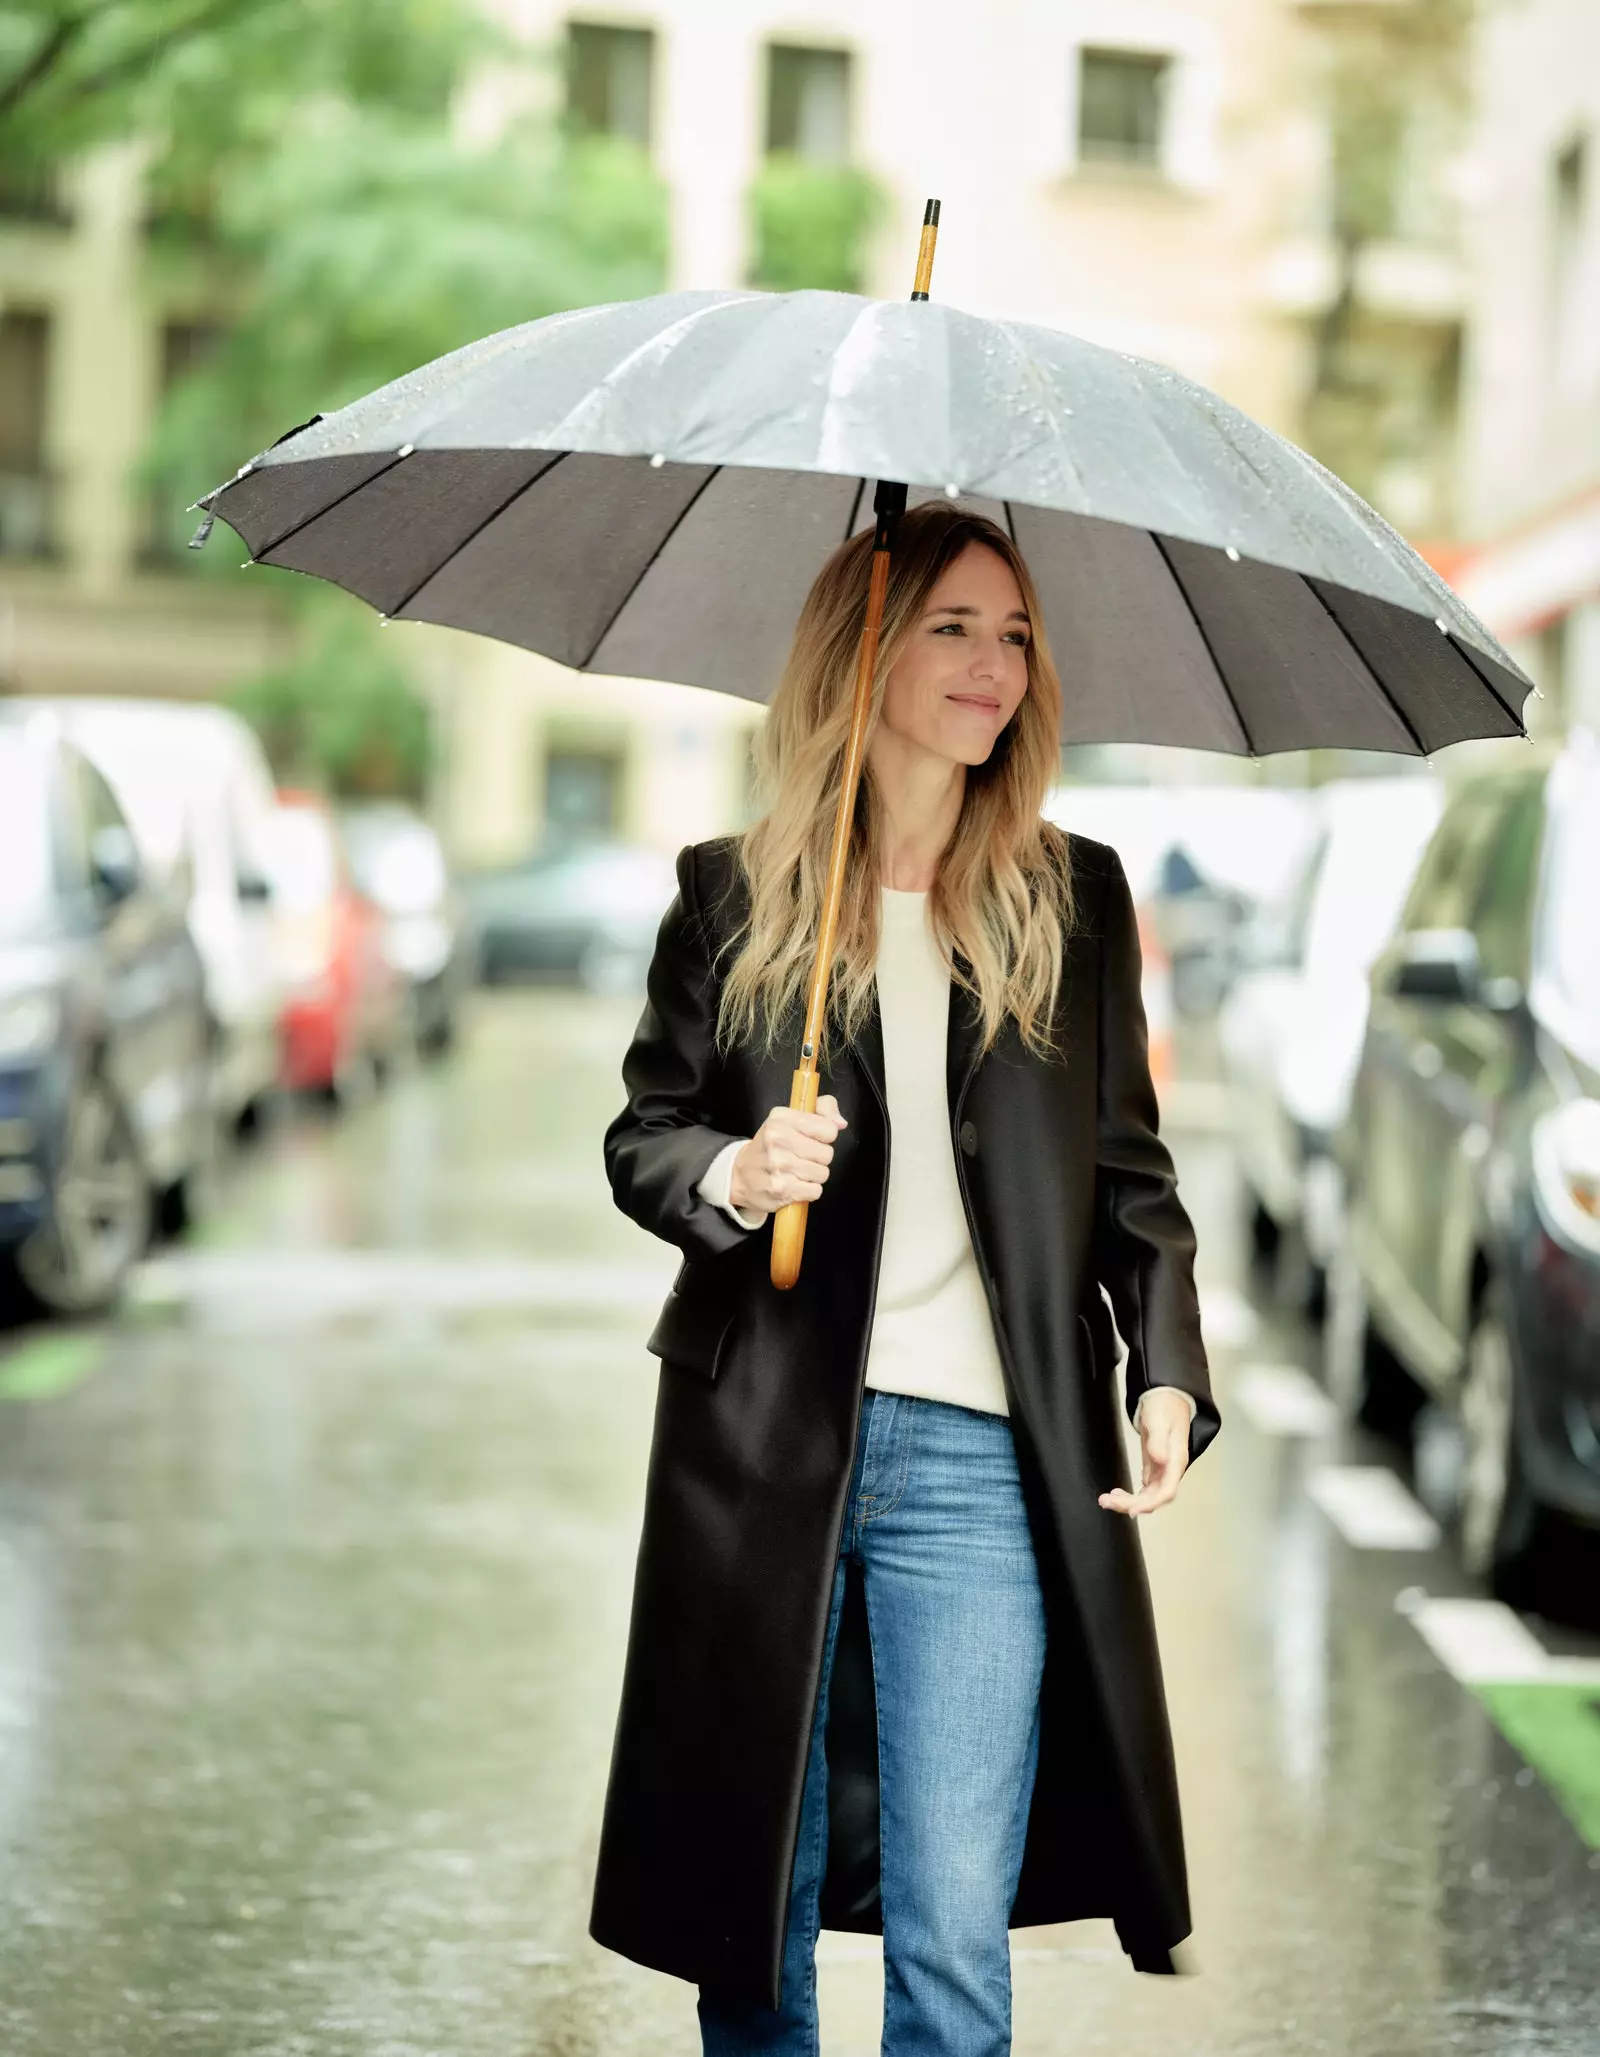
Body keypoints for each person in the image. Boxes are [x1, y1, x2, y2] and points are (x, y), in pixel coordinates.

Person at [590, 502, 1220, 2056]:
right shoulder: (737, 895)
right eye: (951, 626)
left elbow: (1130, 1177)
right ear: (859, 649)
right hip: (763, 1451)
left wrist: (1168, 1369)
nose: (992, 665)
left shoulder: (1072, 899)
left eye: (1014, 636)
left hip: (984, 1461)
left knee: (953, 1933)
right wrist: (735, 1175)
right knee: (756, 1920)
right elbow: (645, 1133)